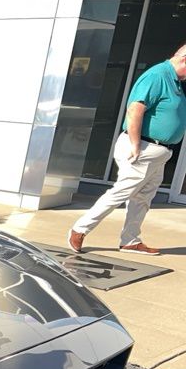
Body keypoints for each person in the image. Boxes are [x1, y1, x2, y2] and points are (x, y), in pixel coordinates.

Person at [68, 44, 186, 256]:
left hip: (159, 152)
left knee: (143, 197)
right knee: (121, 192)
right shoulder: (157, 75)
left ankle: (130, 240)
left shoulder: (174, 81)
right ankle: (80, 229)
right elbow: (135, 108)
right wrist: (135, 144)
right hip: (143, 146)